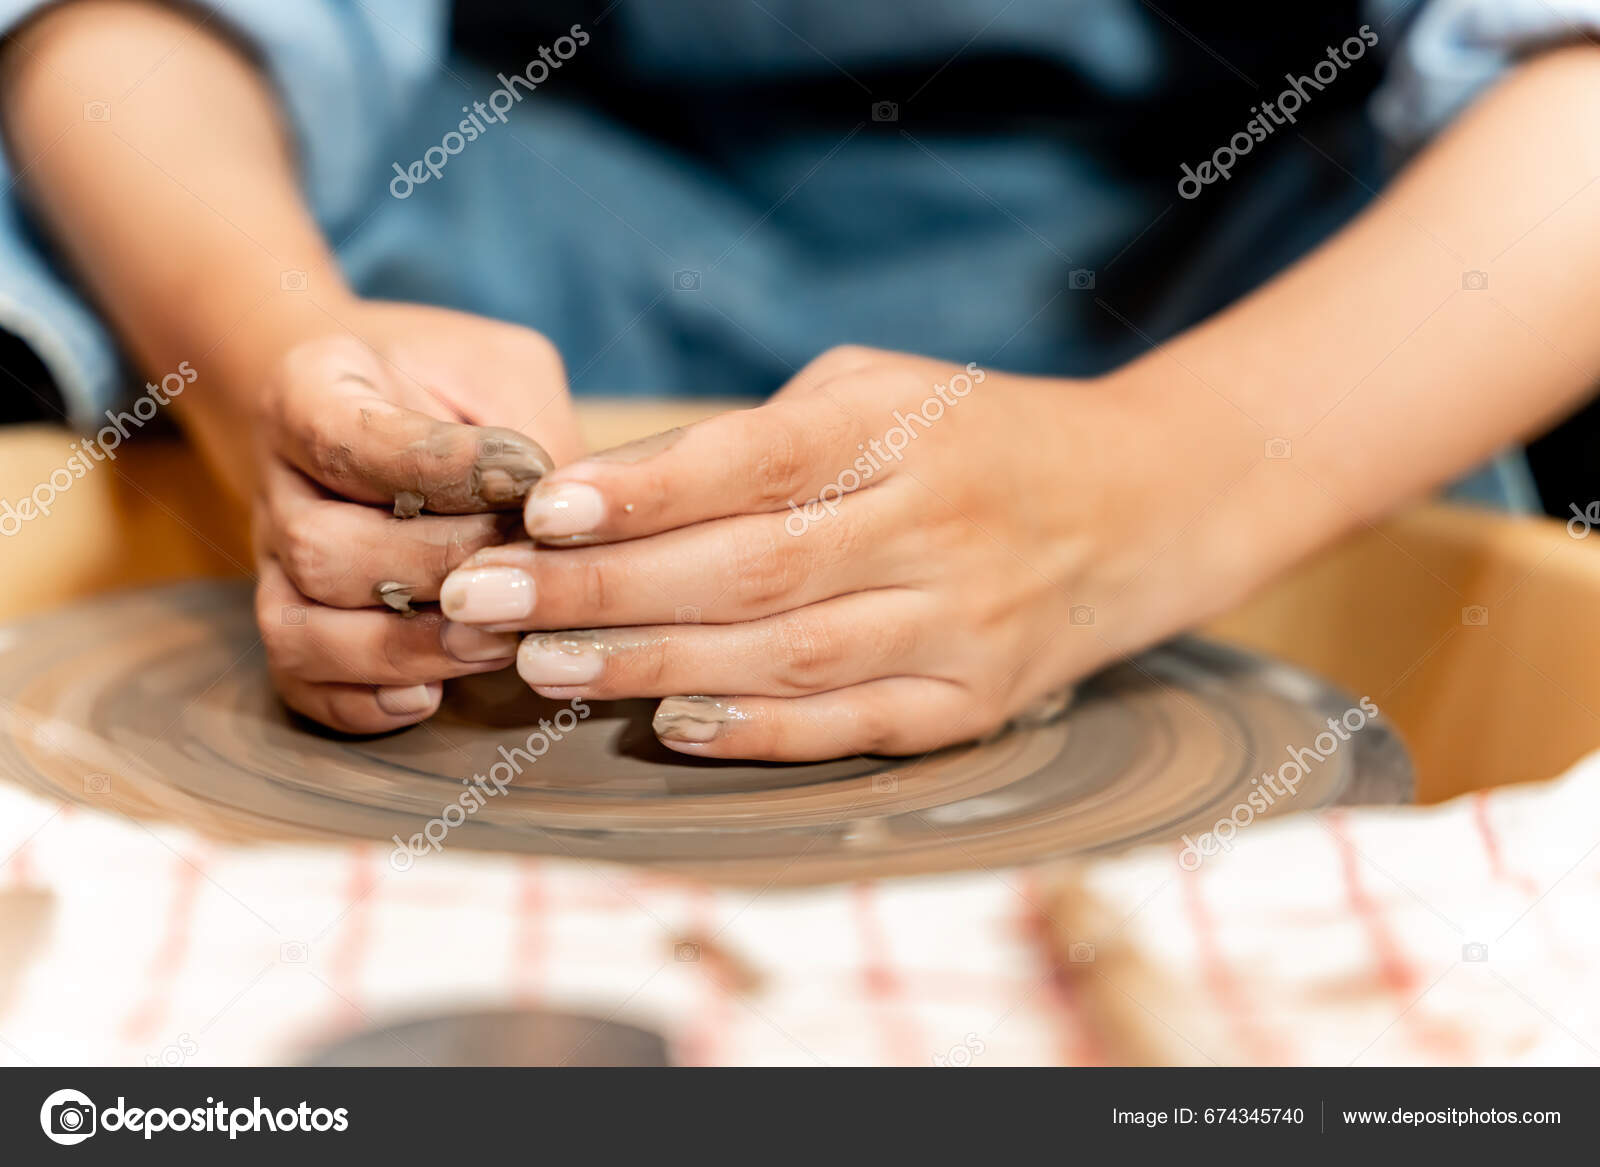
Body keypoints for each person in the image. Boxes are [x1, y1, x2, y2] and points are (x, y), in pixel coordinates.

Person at [1, 0, 1595, 760]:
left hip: (1200, 297)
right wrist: (284, 357)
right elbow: (135, 16)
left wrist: (1163, 481)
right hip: (562, 237)